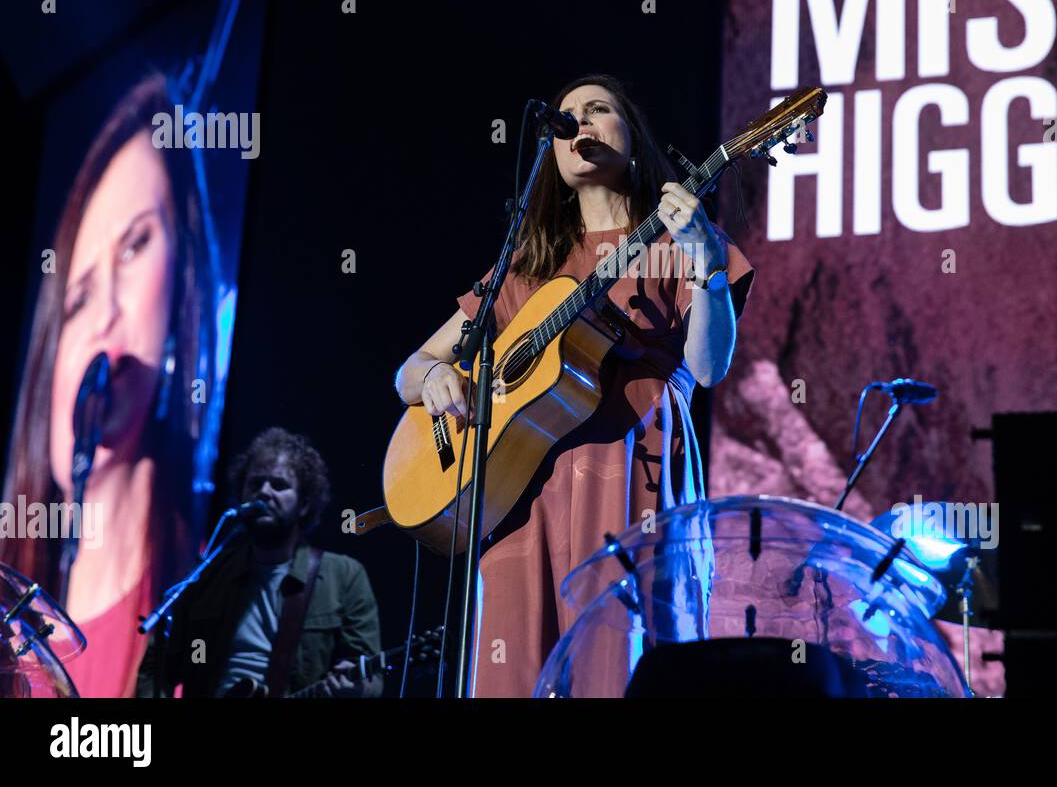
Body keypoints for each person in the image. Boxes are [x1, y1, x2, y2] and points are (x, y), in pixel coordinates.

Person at [394, 73, 755, 696]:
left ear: (633, 140)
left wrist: (704, 260)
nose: (579, 123)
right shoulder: (526, 265)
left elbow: (708, 366)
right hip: (519, 491)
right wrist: (437, 380)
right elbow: (411, 368)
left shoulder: (680, 241)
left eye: (598, 110)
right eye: (566, 116)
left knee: (616, 666)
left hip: (628, 473)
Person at [2, 72, 218, 697]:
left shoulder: (219, 613)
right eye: (77, 299)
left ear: (184, 283)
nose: (105, 317)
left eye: (135, 246)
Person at [136, 428, 383, 698]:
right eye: (255, 484)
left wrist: (359, 688)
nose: (264, 492)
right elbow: (156, 668)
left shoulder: (343, 577)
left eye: (279, 485)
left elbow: (372, 680)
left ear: (304, 503)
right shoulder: (207, 575)